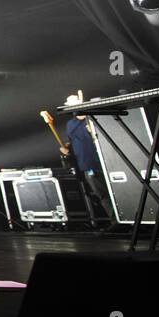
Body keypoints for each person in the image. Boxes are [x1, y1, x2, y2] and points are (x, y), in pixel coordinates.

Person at [59, 95, 112, 225]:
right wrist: (66, 149)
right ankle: (116, 221)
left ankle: (131, 220)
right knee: (102, 194)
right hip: (87, 164)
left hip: (105, 161)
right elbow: (72, 142)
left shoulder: (93, 119)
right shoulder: (70, 124)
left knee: (117, 190)